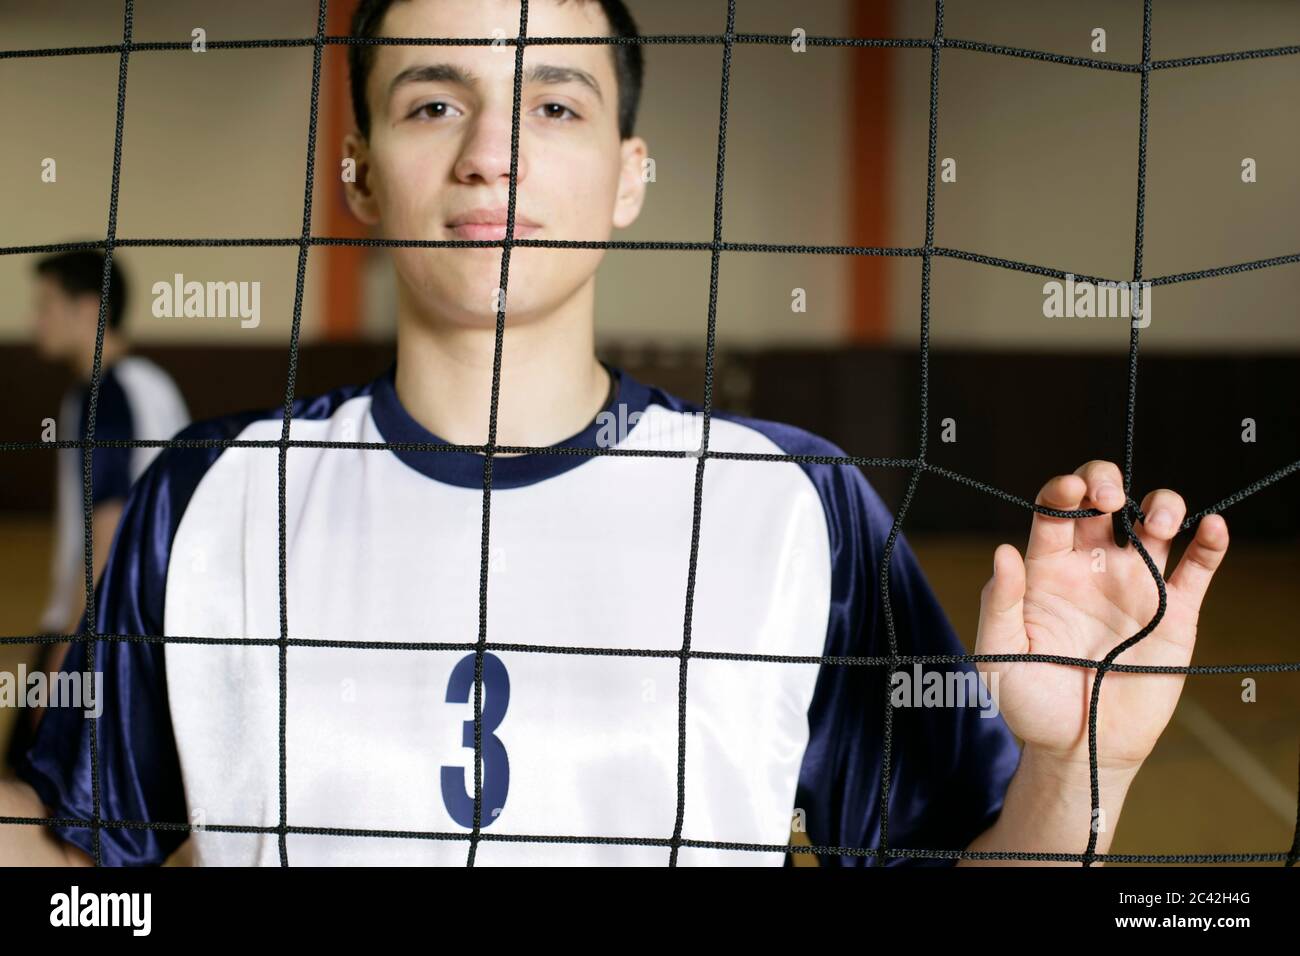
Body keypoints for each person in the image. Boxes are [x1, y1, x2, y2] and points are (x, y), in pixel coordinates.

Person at [0, 0, 1228, 867]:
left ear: (628, 175)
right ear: (359, 171)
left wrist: (1082, 767)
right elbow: (82, 883)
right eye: (434, 101)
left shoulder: (793, 505)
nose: (491, 155)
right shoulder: (211, 494)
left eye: (553, 103)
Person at [3, 249, 189, 771]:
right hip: (148, 634)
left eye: (45, 305)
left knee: (34, 789)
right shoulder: (150, 384)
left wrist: (68, 658)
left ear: (87, 309)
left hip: (103, 633)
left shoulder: (105, 396)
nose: (35, 321)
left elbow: (108, 527)